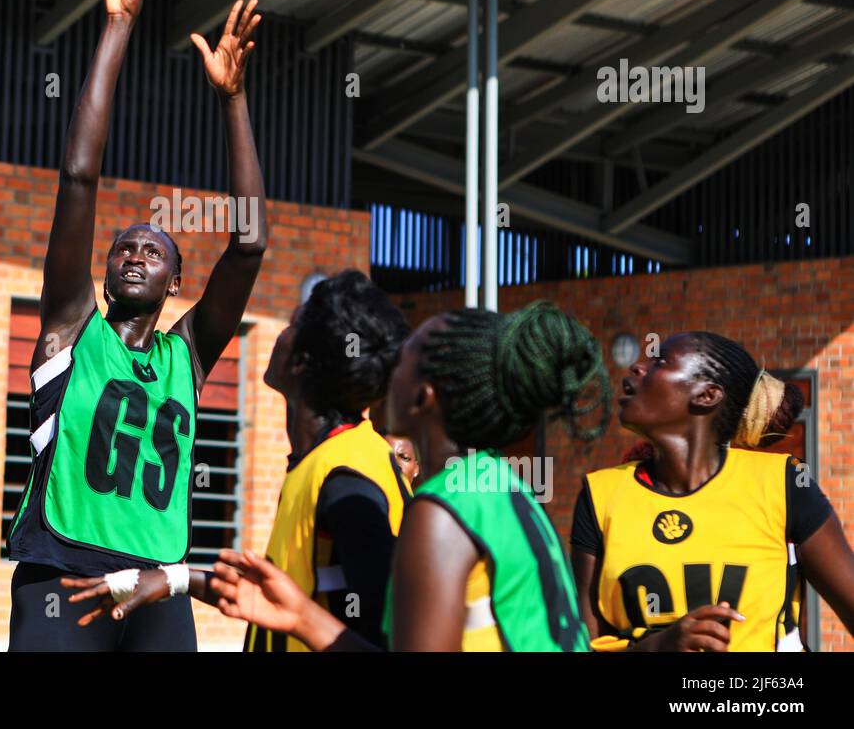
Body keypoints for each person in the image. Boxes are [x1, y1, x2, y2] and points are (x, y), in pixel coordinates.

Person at [4, 0, 268, 651]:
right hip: (59, 574)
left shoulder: (188, 355)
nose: (134, 252)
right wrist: (118, 25)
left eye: (153, 250)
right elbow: (80, 176)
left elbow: (248, 245)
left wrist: (233, 101)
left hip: (158, 584)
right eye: (123, 245)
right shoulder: (70, 328)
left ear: (175, 281)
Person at [208, 300, 608, 651]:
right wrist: (301, 615)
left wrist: (304, 619)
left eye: (402, 362)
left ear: (422, 397)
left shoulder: (443, 512)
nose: (385, 372)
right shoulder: (502, 488)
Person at [64, 270, 411, 650]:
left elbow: (390, 637)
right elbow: (280, 599)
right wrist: (176, 580)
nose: (280, 333)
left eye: (292, 324)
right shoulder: (327, 458)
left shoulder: (347, 480)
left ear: (301, 362)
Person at [571, 331, 854, 651]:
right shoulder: (600, 495)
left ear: (707, 395)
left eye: (658, 362)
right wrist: (654, 648)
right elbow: (578, 645)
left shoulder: (783, 484)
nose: (638, 368)